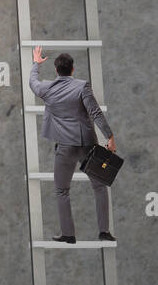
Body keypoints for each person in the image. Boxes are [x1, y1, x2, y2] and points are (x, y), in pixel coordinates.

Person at [29, 46, 117, 243]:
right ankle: (104, 231)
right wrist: (109, 136)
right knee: (100, 187)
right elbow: (95, 112)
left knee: (62, 190)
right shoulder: (82, 86)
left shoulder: (47, 89)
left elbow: (32, 82)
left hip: (65, 146)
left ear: (56, 70)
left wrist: (36, 63)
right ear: (73, 69)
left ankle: (68, 234)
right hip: (87, 144)